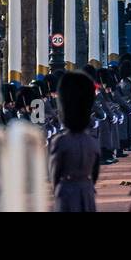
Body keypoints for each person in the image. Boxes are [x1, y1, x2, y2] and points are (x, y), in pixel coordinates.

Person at [48, 69, 99, 212]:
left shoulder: (60, 141)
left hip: (66, 191)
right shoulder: (92, 141)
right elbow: (95, 173)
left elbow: (54, 172)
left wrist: (58, 189)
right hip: (87, 190)